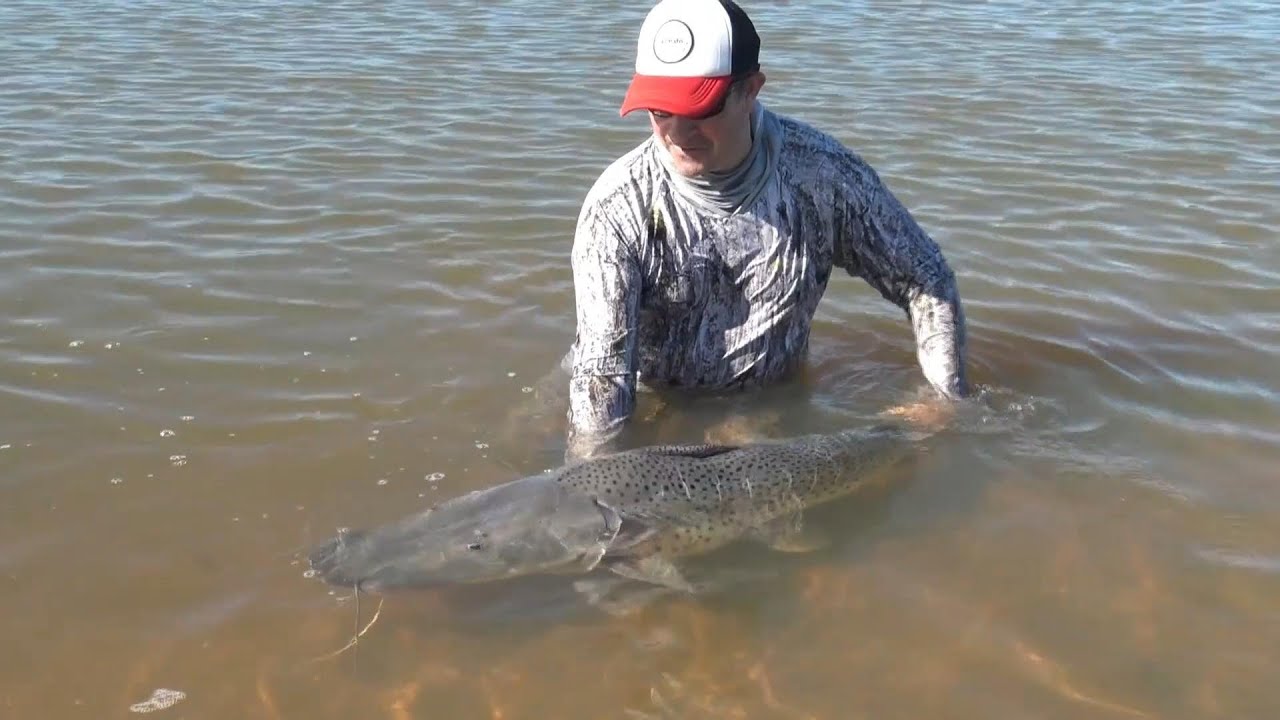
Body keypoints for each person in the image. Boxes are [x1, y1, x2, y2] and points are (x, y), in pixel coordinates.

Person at [564, 0, 969, 462]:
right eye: (659, 111)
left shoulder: (823, 177)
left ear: (751, 89)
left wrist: (943, 401)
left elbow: (927, 279)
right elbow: (602, 382)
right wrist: (596, 481)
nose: (677, 131)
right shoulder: (616, 210)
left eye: (699, 108)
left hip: (772, 408)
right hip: (657, 403)